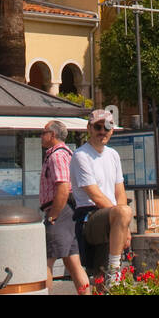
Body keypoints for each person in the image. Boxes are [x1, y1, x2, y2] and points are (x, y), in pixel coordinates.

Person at [71, 109, 132, 281]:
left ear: (112, 130)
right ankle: (115, 269)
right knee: (123, 211)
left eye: (107, 127)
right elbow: (95, 195)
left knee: (99, 277)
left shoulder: (113, 155)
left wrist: (121, 221)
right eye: (98, 127)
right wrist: (122, 219)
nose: (102, 132)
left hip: (111, 215)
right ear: (89, 128)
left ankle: (111, 272)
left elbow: (119, 191)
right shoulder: (81, 155)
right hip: (90, 215)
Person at [39, 119, 89, 294]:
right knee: (73, 261)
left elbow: (62, 187)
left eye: (43, 132)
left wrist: (53, 215)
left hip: (60, 210)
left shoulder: (57, 155)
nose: (41, 136)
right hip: (67, 210)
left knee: (46, 260)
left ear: (52, 135)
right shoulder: (63, 153)